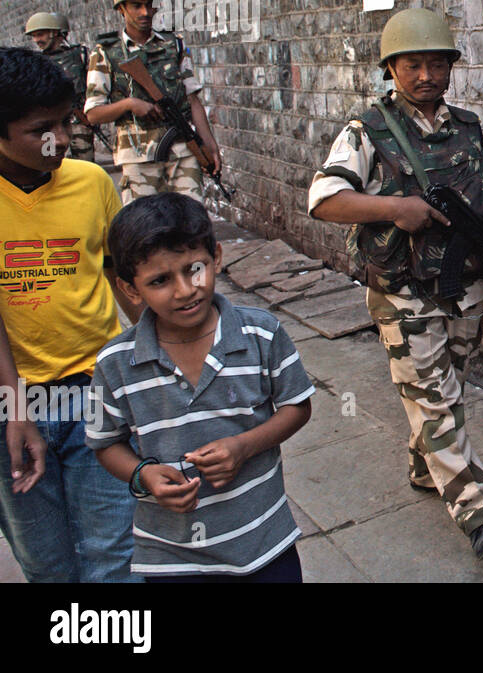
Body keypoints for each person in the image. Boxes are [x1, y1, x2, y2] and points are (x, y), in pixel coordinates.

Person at [307, 7, 483, 559]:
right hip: (403, 294)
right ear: (391, 68)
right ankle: (478, 512)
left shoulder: (466, 127)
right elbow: (323, 199)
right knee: (436, 400)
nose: (427, 75)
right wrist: (395, 208)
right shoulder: (367, 131)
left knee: (447, 386)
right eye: (413, 65)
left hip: (464, 287)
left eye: (438, 64)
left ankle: (424, 466)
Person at [85, 193, 314, 581]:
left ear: (217, 258)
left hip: (263, 542)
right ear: (131, 289)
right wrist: (143, 476)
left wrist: (244, 446)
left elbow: (297, 406)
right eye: (160, 280)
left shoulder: (263, 333)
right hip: (171, 556)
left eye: (194, 269)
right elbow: (105, 442)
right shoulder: (114, 364)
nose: (185, 289)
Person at [0, 47, 138, 582]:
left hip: (95, 390)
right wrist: (17, 409)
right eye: (41, 129)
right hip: (13, 404)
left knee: (115, 554)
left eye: (65, 120)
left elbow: (123, 280)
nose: (61, 137)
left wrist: (162, 354)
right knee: (45, 560)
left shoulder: (92, 183)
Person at [84, 0, 222, 205]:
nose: (145, 13)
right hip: (138, 157)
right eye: (136, 6)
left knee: (192, 221)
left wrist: (209, 144)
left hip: (182, 151)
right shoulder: (106, 53)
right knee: (147, 229)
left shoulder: (174, 45)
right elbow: (93, 114)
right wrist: (129, 104)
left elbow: (192, 99)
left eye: (149, 5)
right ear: (121, 9)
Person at [24, 11, 95, 162]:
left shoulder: (80, 54)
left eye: (41, 34)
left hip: (80, 122)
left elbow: (93, 84)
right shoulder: (37, 61)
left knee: (84, 165)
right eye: (34, 36)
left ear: (55, 33)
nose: (37, 40)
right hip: (49, 123)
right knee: (50, 163)